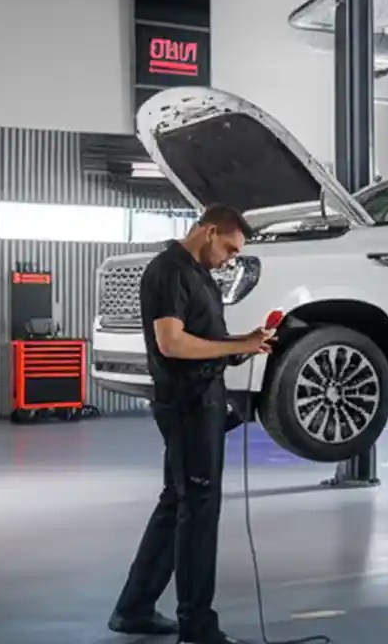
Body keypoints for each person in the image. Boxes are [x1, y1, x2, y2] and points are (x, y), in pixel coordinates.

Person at [109, 204, 275, 644]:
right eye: (229, 248)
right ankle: (197, 627)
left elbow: (203, 338)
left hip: (203, 400)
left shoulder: (198, 275)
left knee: (177, 502)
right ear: (208, 230)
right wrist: (233, 344)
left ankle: (134, 609)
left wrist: (242, 346)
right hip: (186, 404)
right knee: (199, 511)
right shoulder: (169, 271)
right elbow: (173, 342)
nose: (230, 258)